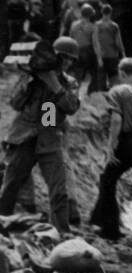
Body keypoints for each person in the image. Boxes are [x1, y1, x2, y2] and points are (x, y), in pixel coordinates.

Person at [0, 37, 81, 234]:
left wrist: (54, 85)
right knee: (10, 186)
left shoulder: (69, 83)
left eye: (71, 60)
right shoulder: (31, 77)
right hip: (24, 138)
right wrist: (30, 82)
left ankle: (61, 233)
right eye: (63, 58)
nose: (67, 63)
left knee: (59, 191)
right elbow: (15, 103)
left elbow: (69, 108)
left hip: (49, 140)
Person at [89, 58, 132, 245]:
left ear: (122, 73)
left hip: (126, 142)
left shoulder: (117, 91)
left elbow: (116, 120)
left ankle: (110, 229)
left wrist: (110, 147)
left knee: (108, 181)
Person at [92, 3, 125, 93]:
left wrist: (99, 58)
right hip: (113, 55)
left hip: (101, 56)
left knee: (101, 81)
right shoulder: (114, 26)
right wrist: (123, 54)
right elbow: (118, 42)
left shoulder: (96, 25)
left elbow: (95, 42)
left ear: (101, 12)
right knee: (114, 79)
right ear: (110, 13)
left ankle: (103, 101)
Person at [68, 3, 97, 89]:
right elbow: (95, 43)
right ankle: (93, 91)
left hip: (76, 50)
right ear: (91, 14)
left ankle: (77, 93)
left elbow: (71, 38)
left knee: (78, 74)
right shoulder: (92, 26)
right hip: (88, 50)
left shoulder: (73, 24)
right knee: (94, 72)